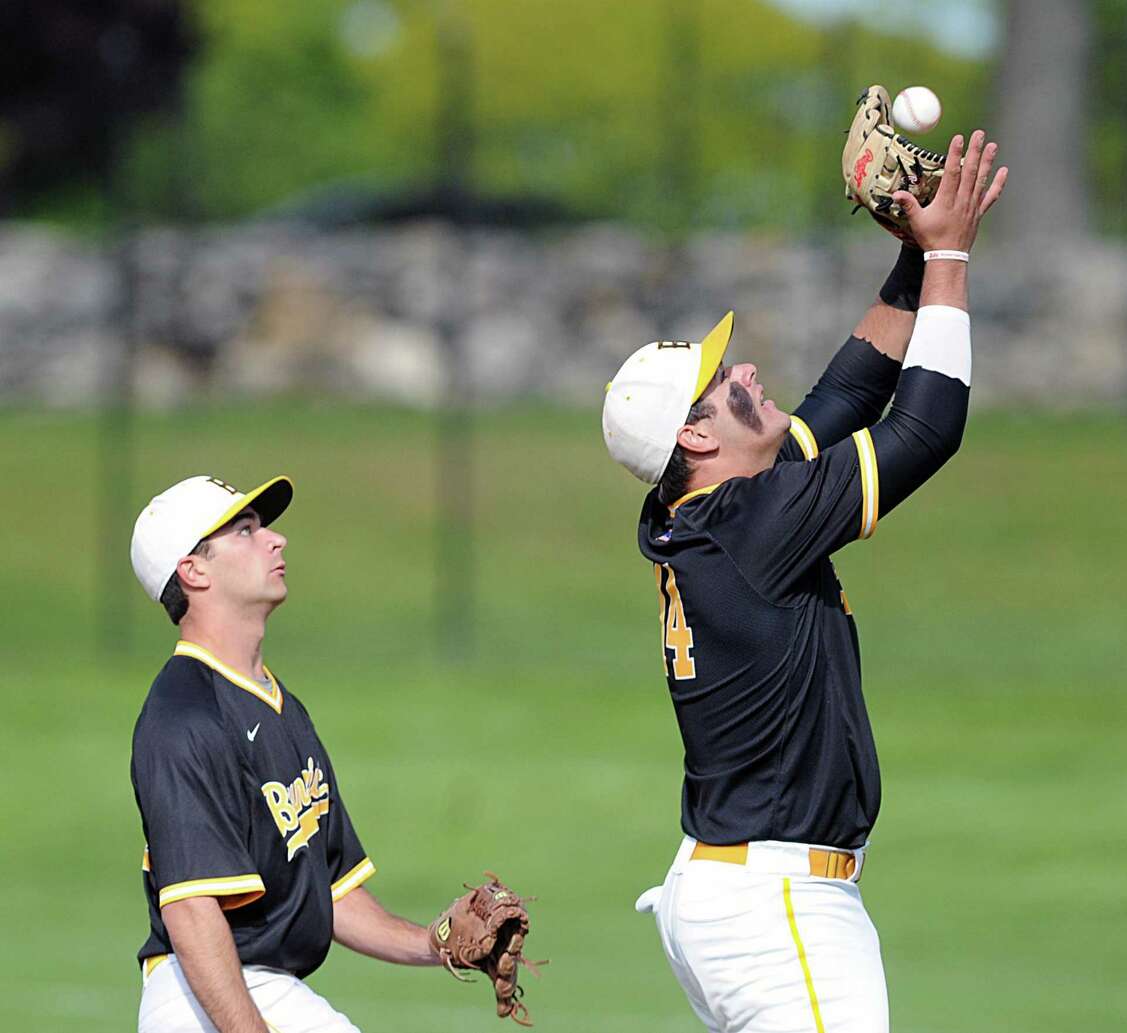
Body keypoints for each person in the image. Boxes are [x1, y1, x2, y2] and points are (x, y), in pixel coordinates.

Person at [602, 130, 1007, 1033]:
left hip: (742, 888)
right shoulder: (750, 526)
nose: (746, 369)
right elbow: (925, 428)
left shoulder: (717, 515)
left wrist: (909, 250)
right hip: (775, 906)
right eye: (722, 382)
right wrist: (948, 255)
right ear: (699, 440)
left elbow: (851, 390)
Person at [128, 475, 532, 1032]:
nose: (275, 540)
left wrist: (435, 943)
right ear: (193, 571)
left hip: (264, 987)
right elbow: (192, 913)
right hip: (201, 995)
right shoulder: (184, 718)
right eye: (244, 531)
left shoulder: (281, 709)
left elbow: (334, 892)